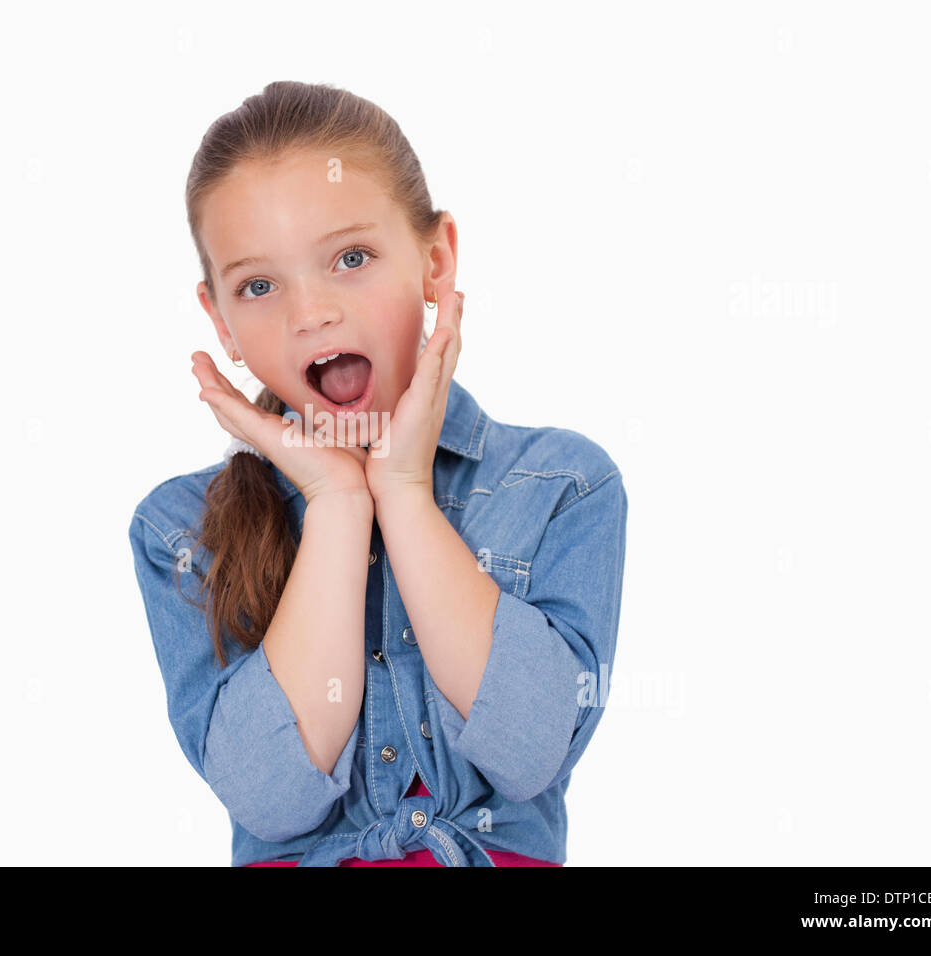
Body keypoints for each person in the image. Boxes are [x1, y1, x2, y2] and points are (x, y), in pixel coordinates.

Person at [129, 81, 628, 866]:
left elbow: (531, 750)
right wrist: (335, 501)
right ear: (219, 319)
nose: (310, 313)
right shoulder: (179, 528)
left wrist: (403, 492)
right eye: (259, 285)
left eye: (350, 258)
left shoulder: (564, 485)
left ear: (436, 261)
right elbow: (273, 799)